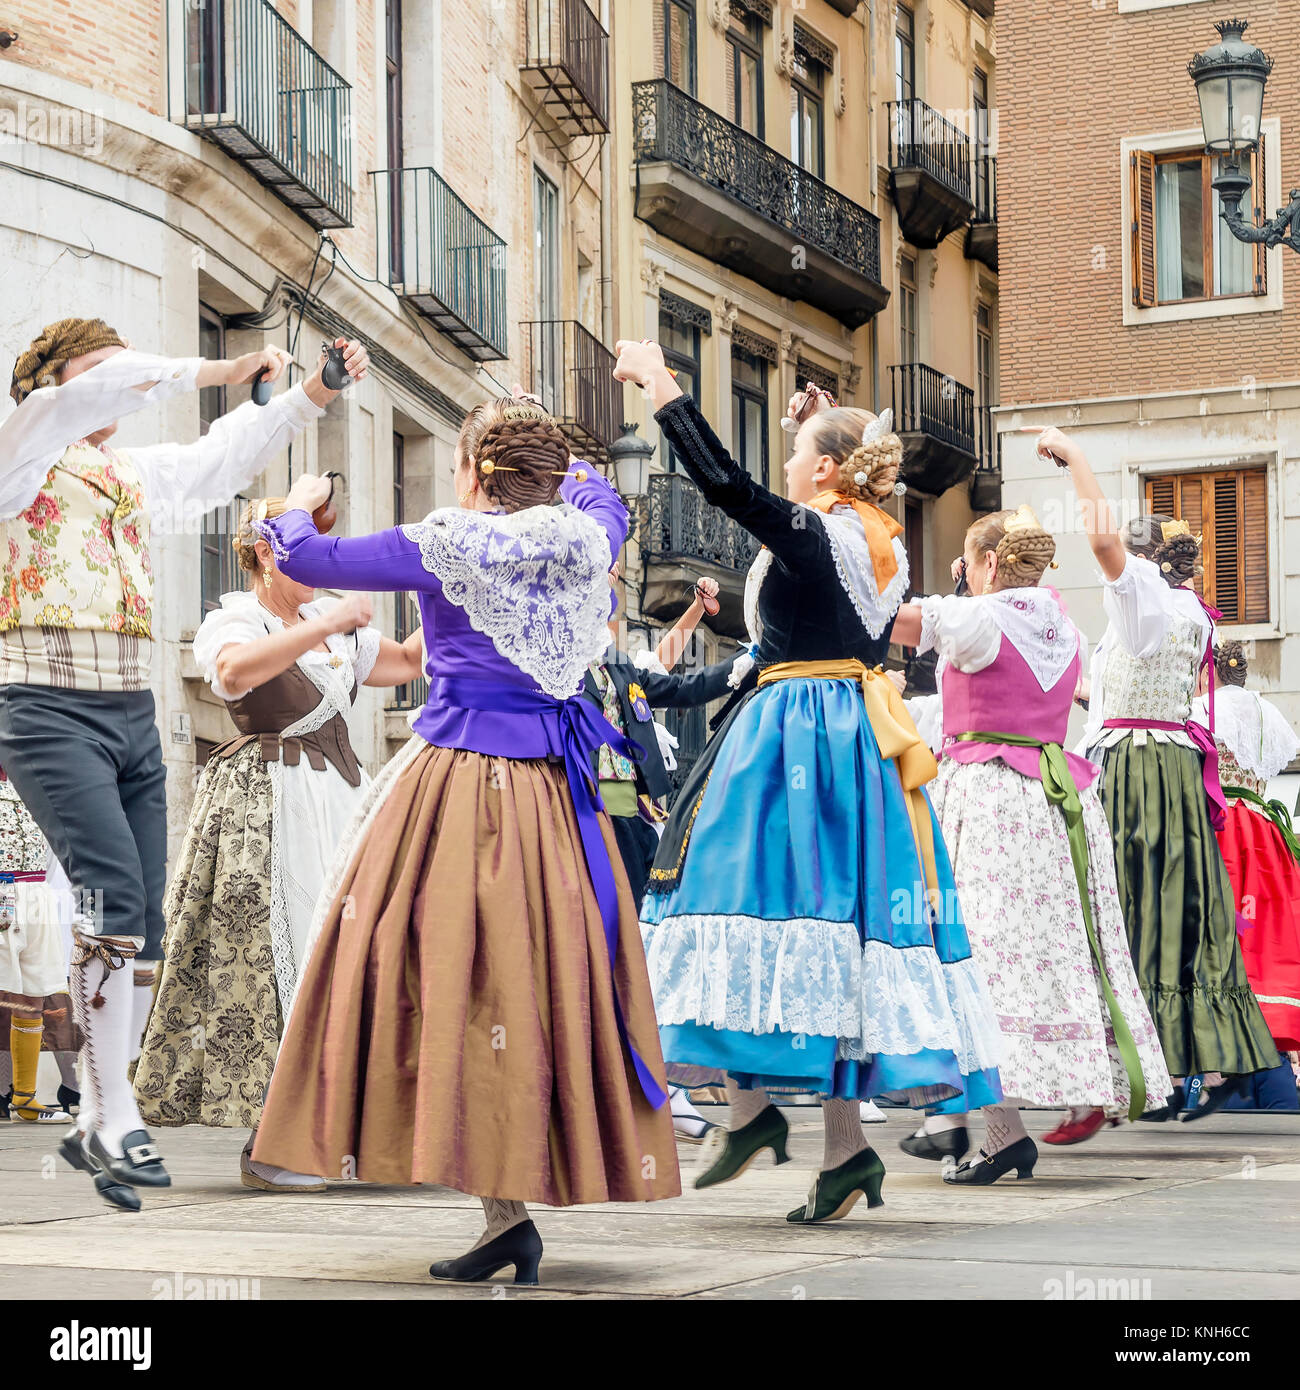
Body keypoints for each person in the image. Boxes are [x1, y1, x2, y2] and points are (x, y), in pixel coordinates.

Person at [246, 398, 679, 1286]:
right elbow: (610, 503)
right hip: (561, 798)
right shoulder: (584, 537)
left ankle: (495, 1204)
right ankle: (508, 1210)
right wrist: (568, 475)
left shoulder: (446, 543)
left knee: (423, 971)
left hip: (462, 783)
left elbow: (305, 555)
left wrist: (292, 497)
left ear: (476, 471)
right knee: (537, 983)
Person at [616, 341, 1003, 1225]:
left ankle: (754, 1115)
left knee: (729, 904)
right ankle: (838, 1150)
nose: (786, 467)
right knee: (833, 933)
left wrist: (667, 389)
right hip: (858, 750)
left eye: (798, 455)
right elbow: (829, 500)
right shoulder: (882, 542)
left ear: (827, 472)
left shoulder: (815, 531)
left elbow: (727, 486)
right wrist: (818, 425)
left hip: (789, 740)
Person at [0, 316, 367, 1209]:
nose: (121, 385)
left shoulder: (126, 476)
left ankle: (99, 1104)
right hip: (43, 698)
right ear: (49, 378)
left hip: (129, 705)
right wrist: (217, 364)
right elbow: (79, 396)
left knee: (136, 921)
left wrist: (308, 395)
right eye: (104, 369)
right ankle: (108, 1105)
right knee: (111, 891)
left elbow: (220, 456)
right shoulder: (18, 455)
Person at [133, 498, 424, 1191]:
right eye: (307, 547)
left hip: (341, 805)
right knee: (275, 955)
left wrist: (453, 579)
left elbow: (412, 658)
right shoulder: (237, 618)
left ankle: (349, 1131)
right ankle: (274, 1142)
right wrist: (323, 622)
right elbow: (233, 675)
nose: (324, 563)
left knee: (355, 954)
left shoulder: (342, 635)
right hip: (267, 801)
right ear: (267, 552)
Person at [890, 507, 1171, 1182]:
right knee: (1037, 955)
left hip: (987, 798)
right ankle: (975, 1124)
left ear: (987, 563)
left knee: (967, 954)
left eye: (966, 562)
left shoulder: (981, 618)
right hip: (1053, 803)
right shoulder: (1064, 626)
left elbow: (890, 616)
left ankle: (985, 1128)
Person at [1035, 426, 1276, 1120]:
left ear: (1143, 561)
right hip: (1167, 763)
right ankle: (1183, 1060)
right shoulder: (1189, 613)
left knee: (1121, 908)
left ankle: (1136, 1064)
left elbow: (1104, 543)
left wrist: (1077, 458)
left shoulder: (1139, 592)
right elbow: (1125, 692)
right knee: (1174, 906)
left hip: (1135, 770)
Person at [582, 580, 734, 1144]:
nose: (605, 619)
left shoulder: (621, 673)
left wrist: (750, 663)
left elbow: (683, 684)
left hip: (630, 813)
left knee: (647, 946)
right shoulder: (553, 674)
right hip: (576, 811)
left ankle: (664, 1088)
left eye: (606, 609)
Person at [1194, 641, 1300, 1057]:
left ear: (1208, 673)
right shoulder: (1265, 711)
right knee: (1264, 934)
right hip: (1265, 833)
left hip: (1224, 830)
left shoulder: (1204, 710)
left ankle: (1214, 1038)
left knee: (1220, 928)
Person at [0, 774, 78, 1123]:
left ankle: (25, 1098)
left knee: (33, 996)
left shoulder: (35, 778)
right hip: (3, 887)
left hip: (35, 890)